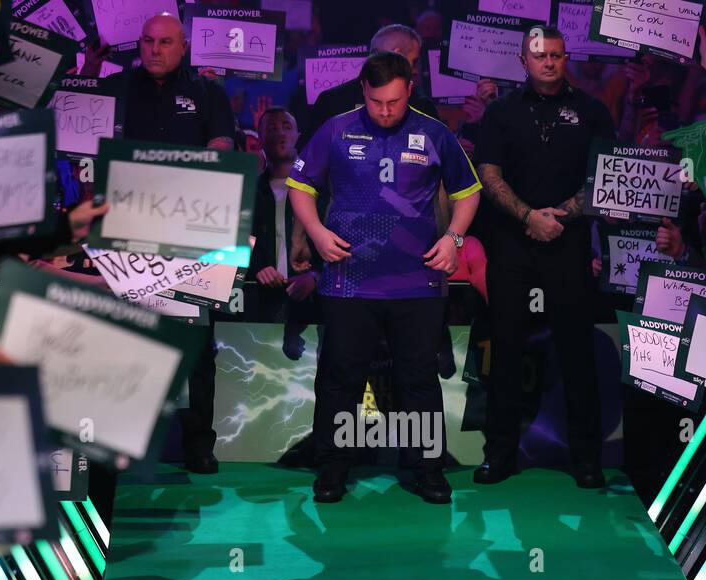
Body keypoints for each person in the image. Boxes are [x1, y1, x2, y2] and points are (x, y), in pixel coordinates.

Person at [287, 51, 480, 505]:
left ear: (409, 89)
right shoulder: (336, 128)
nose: (386, 110)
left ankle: (428, 471)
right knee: (340, 378)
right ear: (363, 92)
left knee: (419, 380)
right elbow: (300, 186)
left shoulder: (434, 133)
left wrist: (453, 238)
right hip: (348, 279)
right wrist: (315, 232)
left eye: (394, 101)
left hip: (419, 279)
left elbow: (468, 192)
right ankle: (332, 470)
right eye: (377, 102)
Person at [471, 25, 615, 488]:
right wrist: (529, 216)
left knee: (577, 351)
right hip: (512, 244)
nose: (549, 62)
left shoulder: (593, 111)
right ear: (523, 60)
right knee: (507, 350)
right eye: (540, 56)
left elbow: (606, 178)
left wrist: (563, 216)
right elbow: (488, 175)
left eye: (556, 55)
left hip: (569, 244)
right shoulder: (500, 112)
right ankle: (500, 455)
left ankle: (587, 459)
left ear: (565, 56)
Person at [94, 13, 237, 473]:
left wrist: (175, 177)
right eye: (148, 41)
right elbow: (87, 142)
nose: (155, 49)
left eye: (165, 42)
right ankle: (121, 442)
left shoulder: (208, 93)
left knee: (194, 340)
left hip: (192, 231)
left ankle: (199, 443)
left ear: (184, 47)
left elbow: (222, 148)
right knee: (124, 334)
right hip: (124, 229)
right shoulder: (117, 88)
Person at [247, 107, 319, 357]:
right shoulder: (249, 191)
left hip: (314, 303)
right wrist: (257, 267)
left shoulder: (319, 189)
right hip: (261, 304)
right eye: (272, 128)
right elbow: (238, 240)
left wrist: (316, 277)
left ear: (298, 135)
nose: (280, 134)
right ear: (259, 138)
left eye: (287, 127)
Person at [298, 23, 437, 152]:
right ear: (398, 55)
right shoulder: (330, 102)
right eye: (414, 61)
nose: (415, 71)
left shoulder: (422, 106)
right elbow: (308, 160)